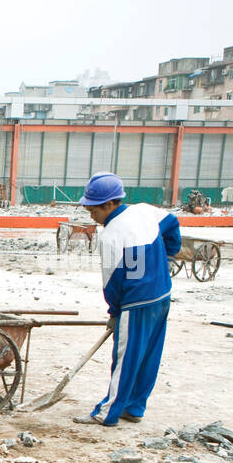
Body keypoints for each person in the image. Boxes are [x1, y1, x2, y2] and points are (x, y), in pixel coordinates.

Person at [73, 171, 180, 426]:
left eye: (94, 210)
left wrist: (114, 312)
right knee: (148, 355)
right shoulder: (145, 211)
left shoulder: (111, 236)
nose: (92, 215)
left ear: (110, 204)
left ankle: (107, 413)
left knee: (126, 357)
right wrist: (167, 257)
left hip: (135, 303)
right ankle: (134, 407)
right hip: (162, 295)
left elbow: (111, 283)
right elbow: (172, 224)